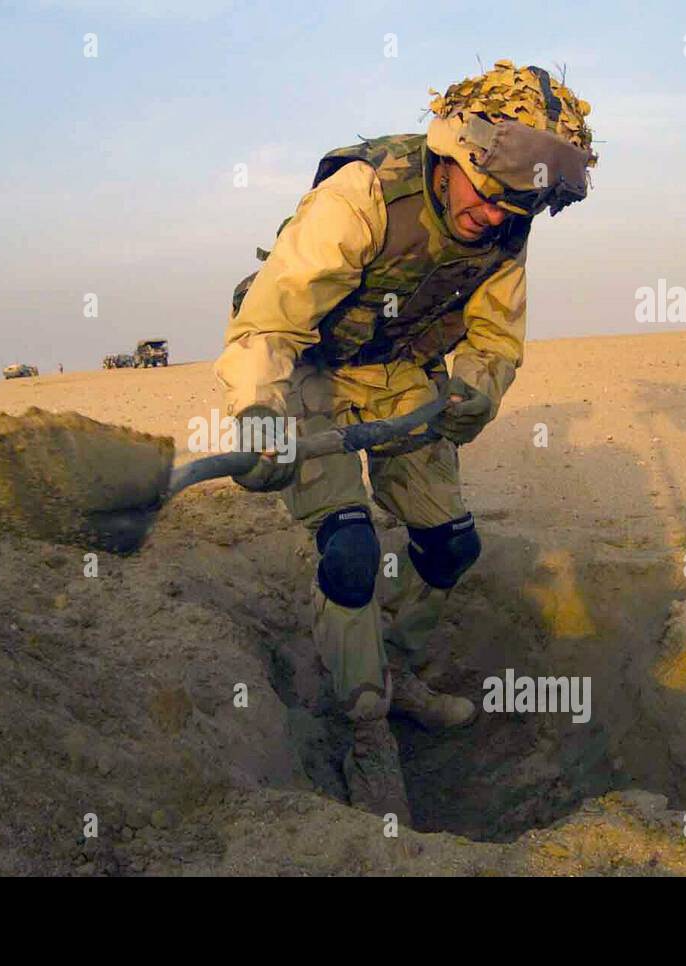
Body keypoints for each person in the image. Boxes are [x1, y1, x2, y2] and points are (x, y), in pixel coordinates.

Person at [213, 61, 597, 820]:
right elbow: (270, 322)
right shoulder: (360, 195)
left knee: (450, 548)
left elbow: (494, 338)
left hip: (396, 375)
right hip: (310, 370)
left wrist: (473, 394)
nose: (497, 218)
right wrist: (260, 415)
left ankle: (397, 670)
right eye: (489, 198)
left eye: (518, 207)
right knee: (350, 551)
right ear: (455, 151)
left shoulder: (505, 222)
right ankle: (363, 725)